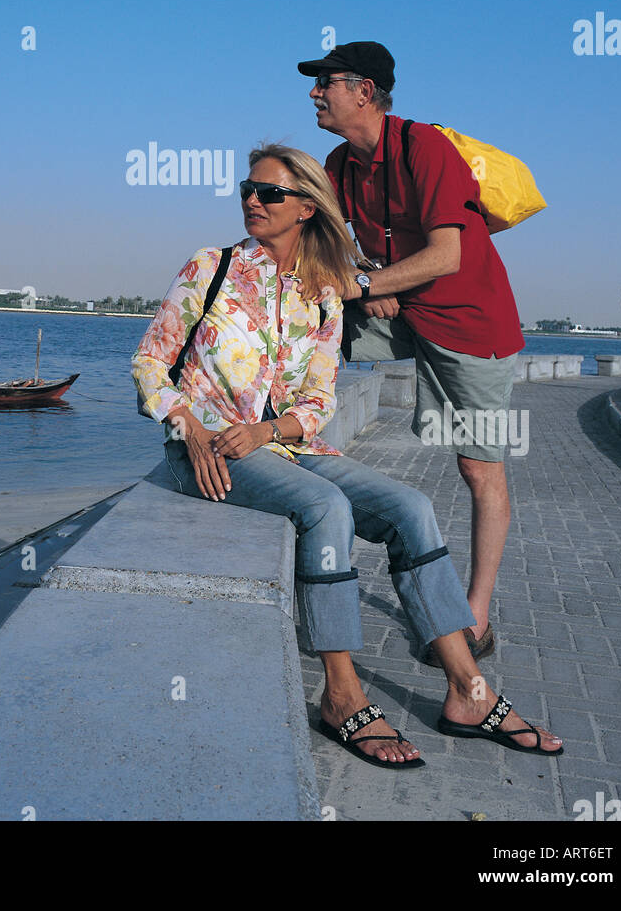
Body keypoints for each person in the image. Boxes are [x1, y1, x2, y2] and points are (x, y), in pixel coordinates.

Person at [132, 143, 561, 765]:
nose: (253, 201)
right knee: (326, 507)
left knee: (411, 507)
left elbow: (318, 399)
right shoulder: (212, 267)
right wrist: (188, 425)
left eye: (270, 193)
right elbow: (150, 360)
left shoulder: (325, 292)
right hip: (208, 448)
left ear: (306, 206)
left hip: (284, 443)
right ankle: (342, 693)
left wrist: (272, 428)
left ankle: (469, 690)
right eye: (246, 191)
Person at [297, 40, 525, 664]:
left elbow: (447, 255)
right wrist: (367, 278)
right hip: (406, 311)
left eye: (326, 83)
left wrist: (368, 283)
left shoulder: (424, 147)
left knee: (479, 468)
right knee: (313, 320)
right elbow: (332, 243)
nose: (315, 93)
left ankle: (474, 617)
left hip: (470, 325)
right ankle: (274, 440)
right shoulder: (339, 162)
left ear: (364, 91)